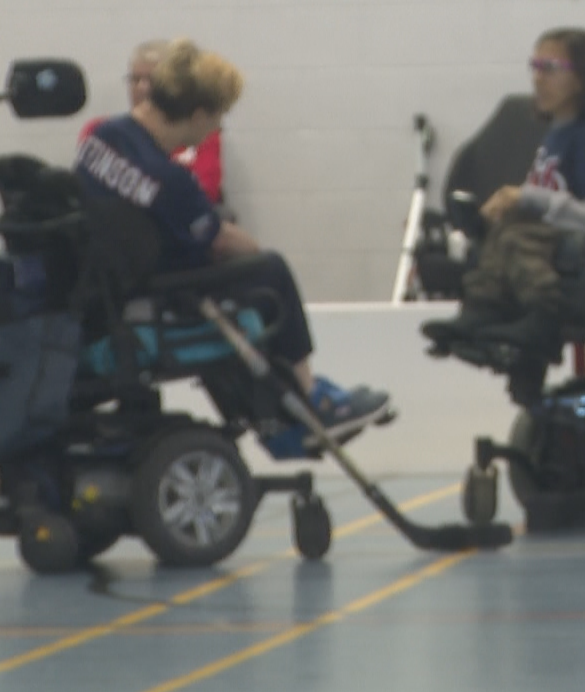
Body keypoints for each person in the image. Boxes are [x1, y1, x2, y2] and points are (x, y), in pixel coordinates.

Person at [72, 38, 391, 458]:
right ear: (199, 113)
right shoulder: (171, 181)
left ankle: (289, 403)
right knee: (268, 271)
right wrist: (251, 246)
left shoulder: (102, 139)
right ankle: (310, 396)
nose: (215, 129)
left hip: (108, 285)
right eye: (218, 118)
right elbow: (220, 241)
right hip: (154, 293)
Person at [421, 27, 585, 351]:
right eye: (535, 68)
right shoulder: (554, 136)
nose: (537, 79)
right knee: (500, 232)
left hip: (572, 240)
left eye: (550, 69)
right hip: (543, 232)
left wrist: (526, 197)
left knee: (517, 237)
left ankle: (543, 315)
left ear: (580, 80)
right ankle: (482, 310)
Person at [83, 40, 229, 211]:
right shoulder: (100, 130)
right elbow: (90, 191)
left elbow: (207, 191)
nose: (142, 88)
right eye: (135, 79)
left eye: (152, 80)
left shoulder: (199, 134)